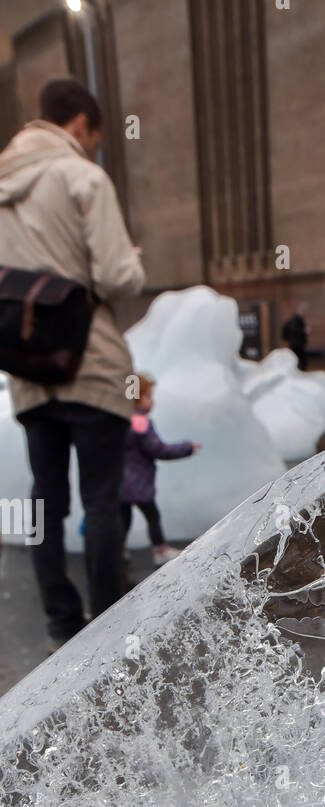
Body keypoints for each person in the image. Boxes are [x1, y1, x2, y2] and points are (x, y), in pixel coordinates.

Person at [0, 78, 145, 650]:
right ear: (82, 124)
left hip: (31, 370)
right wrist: (134, 261)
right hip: (91, 364)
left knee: (45, 500)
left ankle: (62, 624)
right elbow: (116, 276)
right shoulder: (83, 176)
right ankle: (106, 631)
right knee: (101, 500)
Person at [119, 374, 199, 567]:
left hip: (120, 483)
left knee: (123, 519)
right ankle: (160, 550)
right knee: (152, 516)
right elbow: (158, 450)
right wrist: (187, 448)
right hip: (139, 484)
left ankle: (118, 551)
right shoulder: (141, 424)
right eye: (148, 396)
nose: (151, 401)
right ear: (136, 398)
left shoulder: (120, 421)